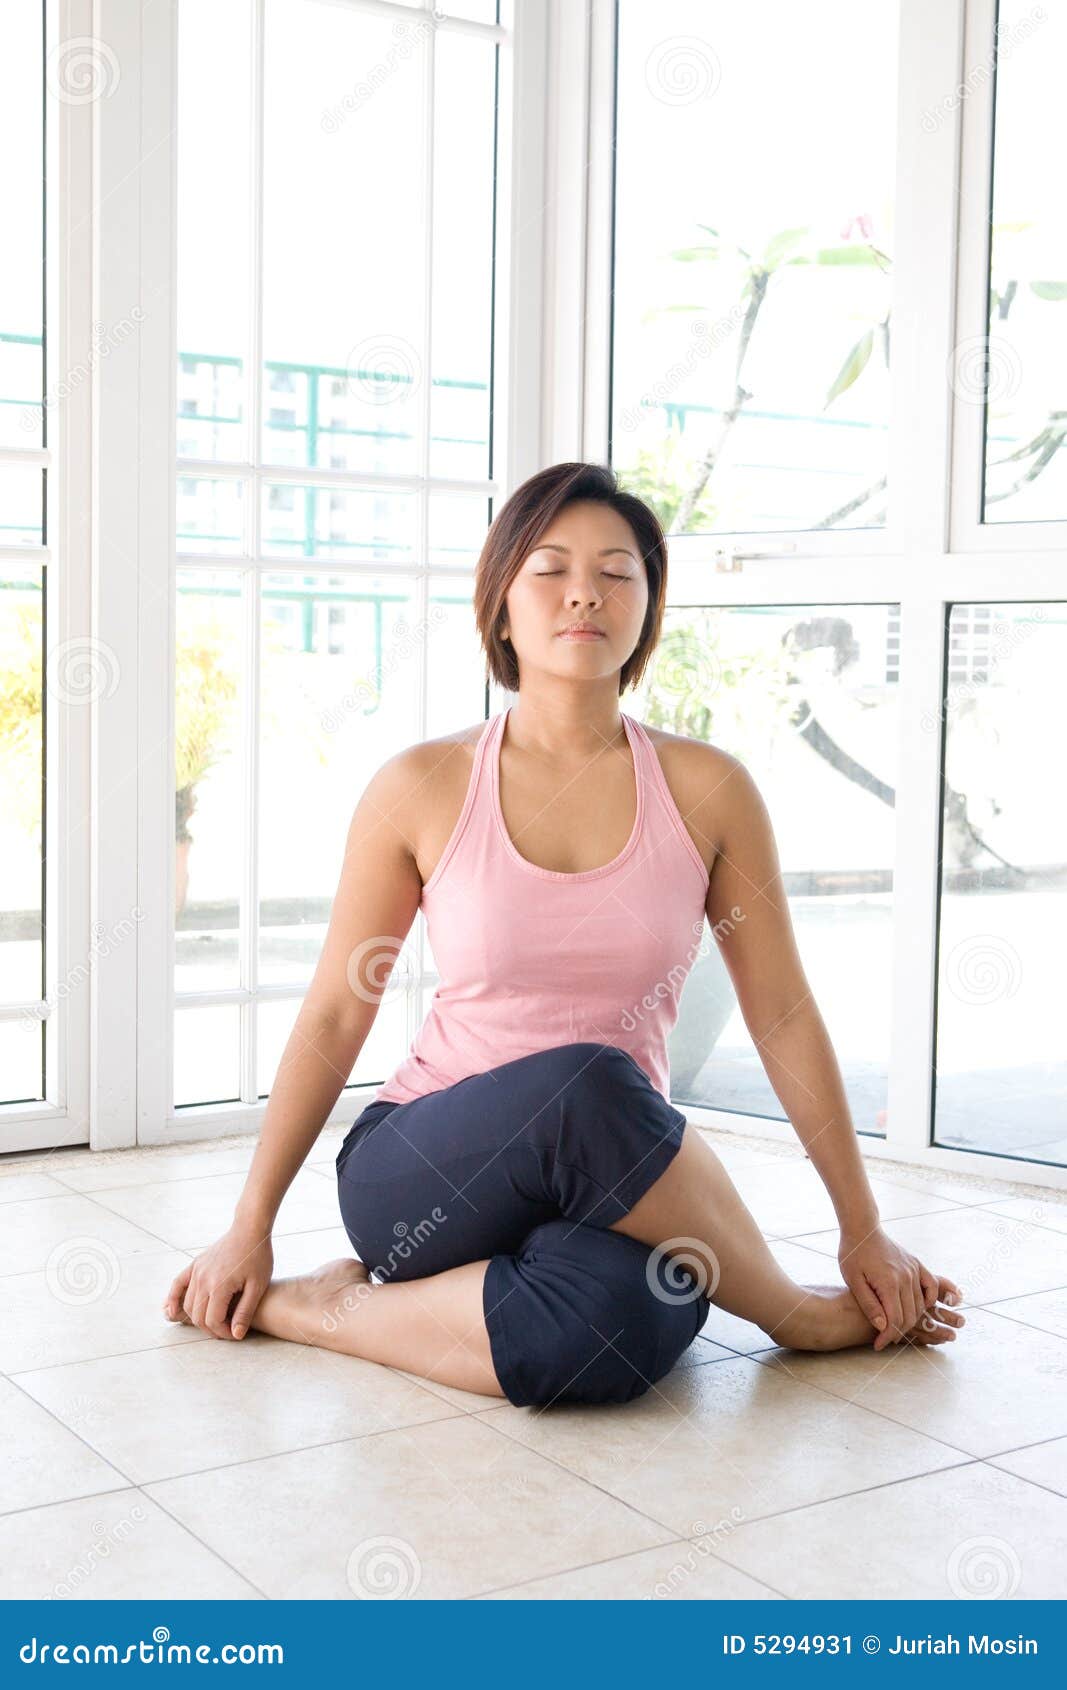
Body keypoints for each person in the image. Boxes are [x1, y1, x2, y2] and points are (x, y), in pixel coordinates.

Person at [164, 461, 964, 1407]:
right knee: (587, 1079)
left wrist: (861, 1227)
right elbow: (339, 1010)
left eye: (617, 571)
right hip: (421, 1174)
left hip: (603, 1176)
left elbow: (782, 1014)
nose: (585, 589)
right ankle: (792, 1314)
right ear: (501, 607)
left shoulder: (710, 790)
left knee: (627, 1322)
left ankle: (314, 1310)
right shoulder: (421, 786)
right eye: (550, 568)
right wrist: (249, 1223)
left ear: (645, 612)